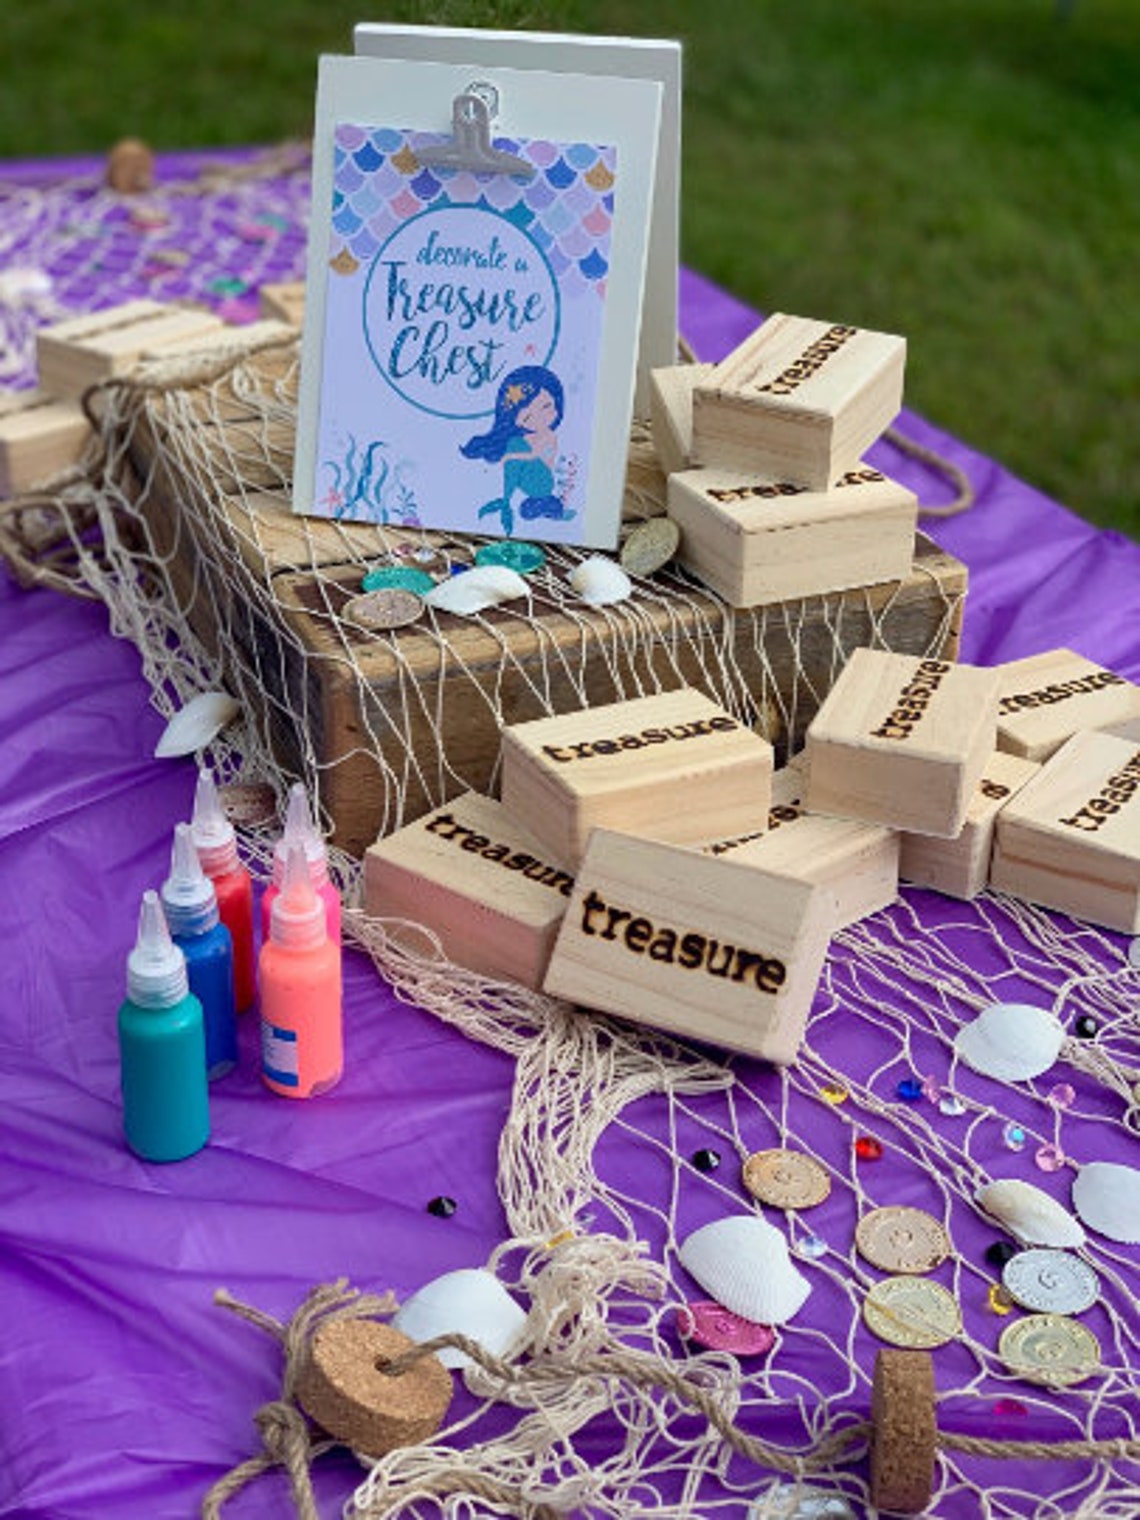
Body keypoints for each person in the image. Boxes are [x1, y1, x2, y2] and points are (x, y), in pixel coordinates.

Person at [460, 365, 572, 535]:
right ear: (517, 421)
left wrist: (511, 456)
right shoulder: (521, 439)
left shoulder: (549, 436)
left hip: (542, 481)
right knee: (514, 443)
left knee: (514, 446)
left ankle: (508, 500)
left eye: (546, 407)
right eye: (527, 417)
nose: (539, 418)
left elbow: (535, 456)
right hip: (530, 480)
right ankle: (507, 501)